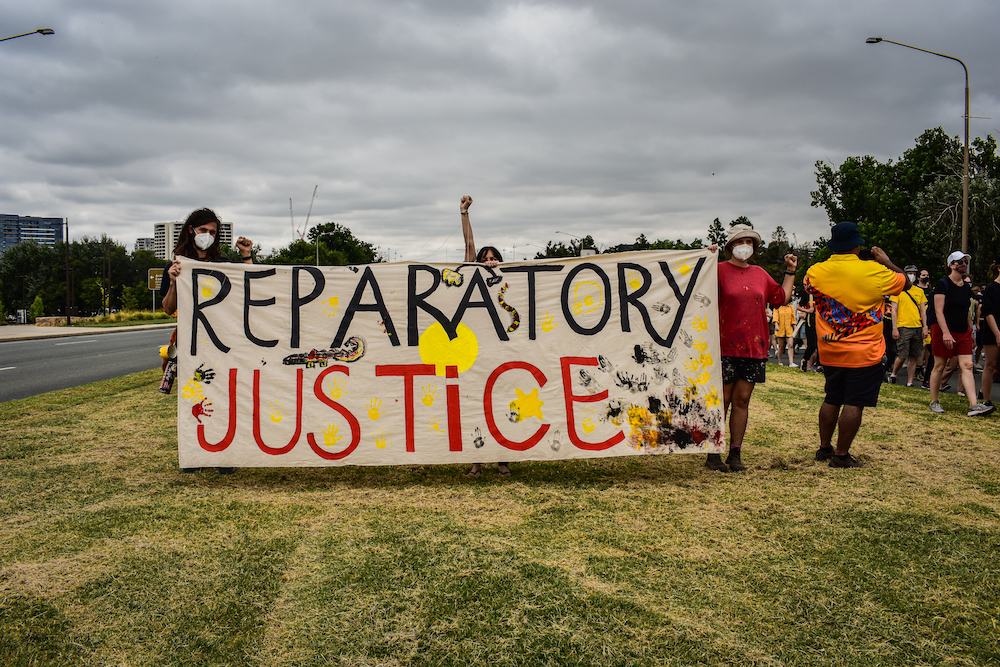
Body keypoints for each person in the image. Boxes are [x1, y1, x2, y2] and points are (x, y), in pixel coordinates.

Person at [804, 222, 908, 468]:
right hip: (865, 351)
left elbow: (808, 287)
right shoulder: (875, 271)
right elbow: (907, 283)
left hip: (830, 349)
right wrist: (886, 261)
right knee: (854, 402)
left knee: (832, 398)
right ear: (858, 246)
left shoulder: (815, 271)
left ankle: (824, 448)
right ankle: (841, 455)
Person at [160, 207, 254, 474]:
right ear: (192, 230)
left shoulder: (224, 264)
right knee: (194, 398)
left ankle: (224, 455)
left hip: (220, 343)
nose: (208, 236)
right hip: (191, 344)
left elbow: (252, 287)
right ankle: (195, 454)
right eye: (204, 231)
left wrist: (246, 256)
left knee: (223, 397)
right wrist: (174, 281)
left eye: (213, 232)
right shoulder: (176, 266)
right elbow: (168, 308)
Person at [708, 224, 796, 472]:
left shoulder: (760, 274)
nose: (744, 245)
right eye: (739, 241)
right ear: (730, 246)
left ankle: (735, 454)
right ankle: (713, 451)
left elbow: (781, 298)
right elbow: (694, 289)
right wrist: (705, 258)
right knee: (722, 400)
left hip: (753, 347)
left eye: (749, 241)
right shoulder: (716, 271)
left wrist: (791, 271)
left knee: (742, 400)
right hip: (723, 345)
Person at [460, 196, 510, 478]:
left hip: (501, 353)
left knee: (501, 406)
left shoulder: (509, 281)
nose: (489, 262)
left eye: (493, 259)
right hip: (475, 354)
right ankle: (476, 463)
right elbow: (468, 247)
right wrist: (464, 214)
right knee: (475, 406)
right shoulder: (472, 275)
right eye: (485, 259)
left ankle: (503, 462)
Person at [927, 251, 994, 417]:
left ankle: (974, 405)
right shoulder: (943, 284)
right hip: (943, 329)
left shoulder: (966, 287)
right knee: (940, 366)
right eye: (960, 261)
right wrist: (945, 333)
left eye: (965, 261)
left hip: (963, 330)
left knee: (967, 365)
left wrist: (970, 332)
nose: (963, 264)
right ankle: (934, 401)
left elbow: (966, 311)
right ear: (951, 265)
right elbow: (938, 311)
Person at [888, 264, 928, 387]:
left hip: (917, 326)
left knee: (914, 356)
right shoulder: (897, 290)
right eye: (909, 273)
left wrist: (925, 326)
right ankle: (894, 373)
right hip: (903, 326)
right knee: (902, 355)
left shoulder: (919, 291)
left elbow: (923, 310)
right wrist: (895, 328)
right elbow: (894, 310)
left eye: (914, 274)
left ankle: (910, 382)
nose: (912, 276)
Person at [772, 301, 796, 367]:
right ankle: (780, 361)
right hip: (781, 329)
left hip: (789, 329)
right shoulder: (777, 307)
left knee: (790, 345)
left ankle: (791, 362)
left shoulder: (791, 307)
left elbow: (793, 318)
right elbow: (775, 318)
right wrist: (776, 325)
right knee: (781, 347)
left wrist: (795, 327)